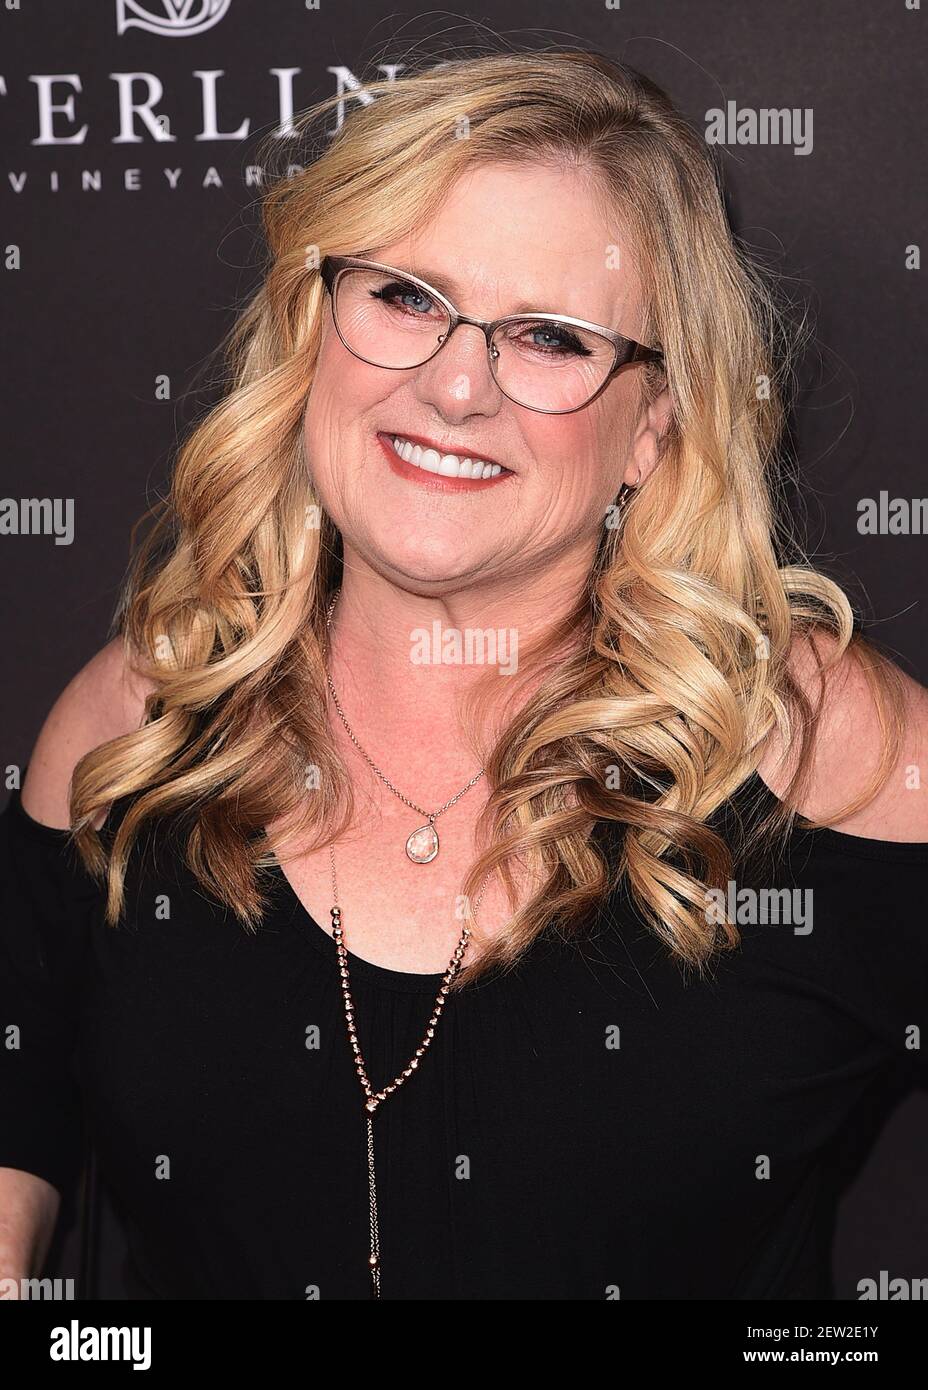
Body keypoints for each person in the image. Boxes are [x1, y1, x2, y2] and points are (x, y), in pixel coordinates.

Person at [2, 48, 926, 1301]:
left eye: (549, 338)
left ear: (653, 428)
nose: (452, 385)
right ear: (311, 330)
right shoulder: (146, 719)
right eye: (405, 296)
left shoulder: (828, 748)